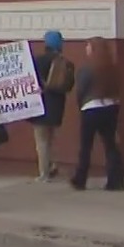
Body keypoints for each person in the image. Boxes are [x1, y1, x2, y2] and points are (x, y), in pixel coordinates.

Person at [70, 37, 124, 191]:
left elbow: (80, 90)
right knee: (110, 144)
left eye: (88, 46)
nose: (86, 48)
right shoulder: (112, 68)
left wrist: (80, 105)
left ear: (93, 49)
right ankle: (116, 180)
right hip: (111, 107)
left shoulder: (87, 69)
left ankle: (80, 179)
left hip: (91, 108)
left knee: (86, 146)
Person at [29, 30, 75, 182]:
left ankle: (44, 173)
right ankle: (52, 164)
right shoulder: (66, 63)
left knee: (41, 141)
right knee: (52, 138)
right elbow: (69, 86)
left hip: (39, 103)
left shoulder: (38, 61)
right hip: (57, 104)